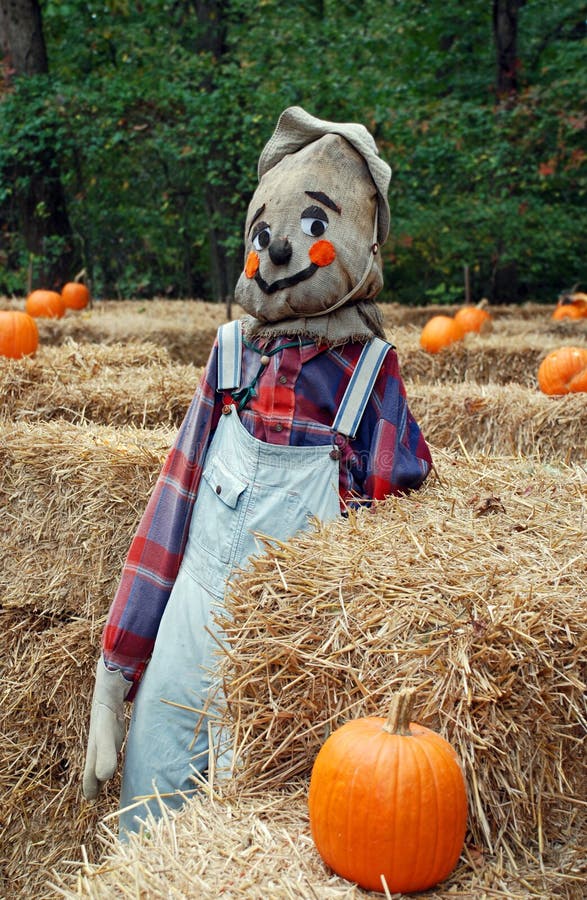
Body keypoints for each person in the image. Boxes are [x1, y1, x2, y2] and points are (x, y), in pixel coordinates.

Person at [82, 106, 433, 836]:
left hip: (291, 649)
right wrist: (114, 676)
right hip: (191, 615)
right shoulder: (231, 357)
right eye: (266, 230)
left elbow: (391, 559)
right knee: (152, 807)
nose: (278, 248)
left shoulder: (370, 375)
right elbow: (171, 509)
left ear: (359, 242)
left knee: (258, 832)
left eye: (313, 228)